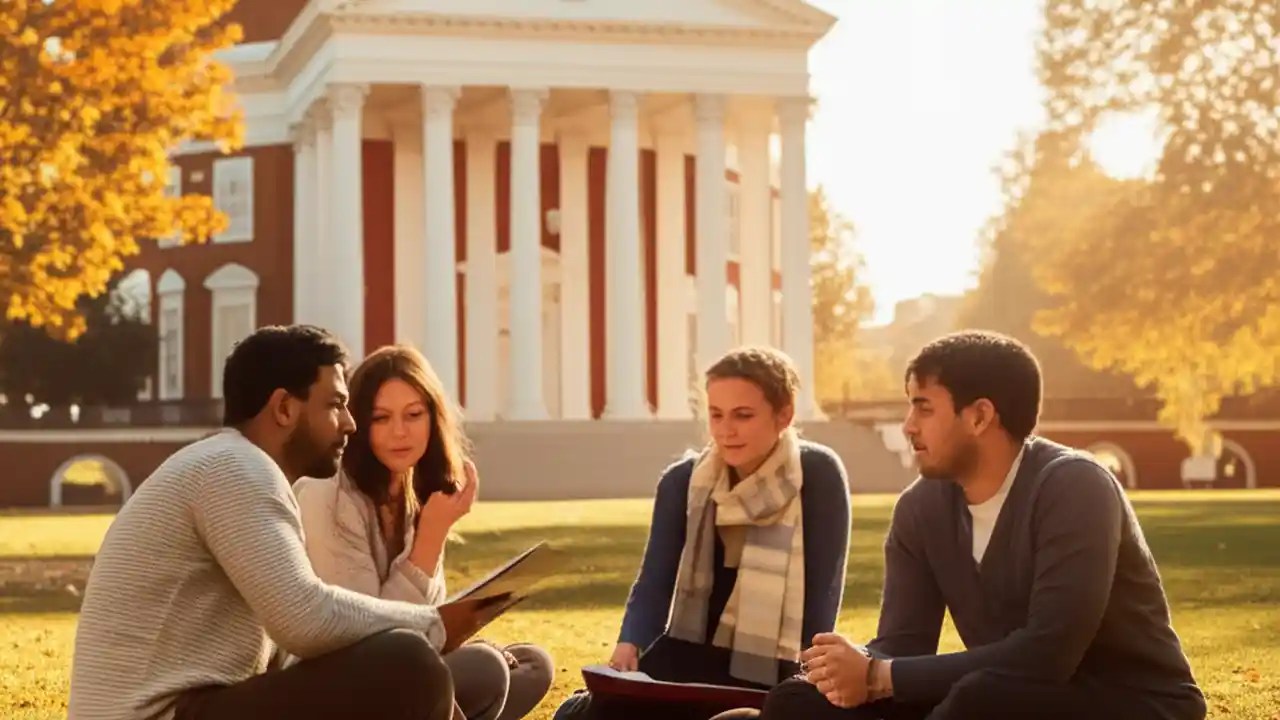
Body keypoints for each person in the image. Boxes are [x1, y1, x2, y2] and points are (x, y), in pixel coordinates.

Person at [741, 330, 1207, 720]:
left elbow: (1048, 654)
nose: (907, 425)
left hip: (1134, 702)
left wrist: (878, 676)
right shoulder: (921, 509)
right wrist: (848, 669)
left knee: (979, 700)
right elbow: (903, 644)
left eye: (924, 407)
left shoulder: (1075, 487)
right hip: (1004, 695)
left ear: (980, 415)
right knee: (799, 700)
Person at [67, 325, 495, 720]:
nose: (350, 424)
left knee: (448, 670)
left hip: (202, 704)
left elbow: (289, 647)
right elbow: (305, 619)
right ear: (285, 408)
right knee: (408, 664)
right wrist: (433, 624)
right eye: (335, 405)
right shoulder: (233, 468)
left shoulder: (243, 468)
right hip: (162, 713)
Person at [555, 346, 852, 720]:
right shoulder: (684, 481)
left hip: (775, 662)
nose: (726, 430)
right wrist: (630, 642)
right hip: (690, 653)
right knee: (602, 713)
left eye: (743, 415)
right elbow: (654, 582)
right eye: (716, 415)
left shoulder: (818, 474)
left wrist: (807, 677)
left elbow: (824, 593)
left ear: (785, 414)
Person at [294, 345, 554, 720]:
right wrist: (429, 540)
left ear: (434, 419)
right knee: (484, 667)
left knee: (532, 664)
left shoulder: (416, 493)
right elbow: (366, 636)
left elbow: (427, 620)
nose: (399, 432)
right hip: (340, 684)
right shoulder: (326, 495)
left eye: (413, 415)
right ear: (359, 424)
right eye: (381, 418)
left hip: (404, 670)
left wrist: (462, 622)